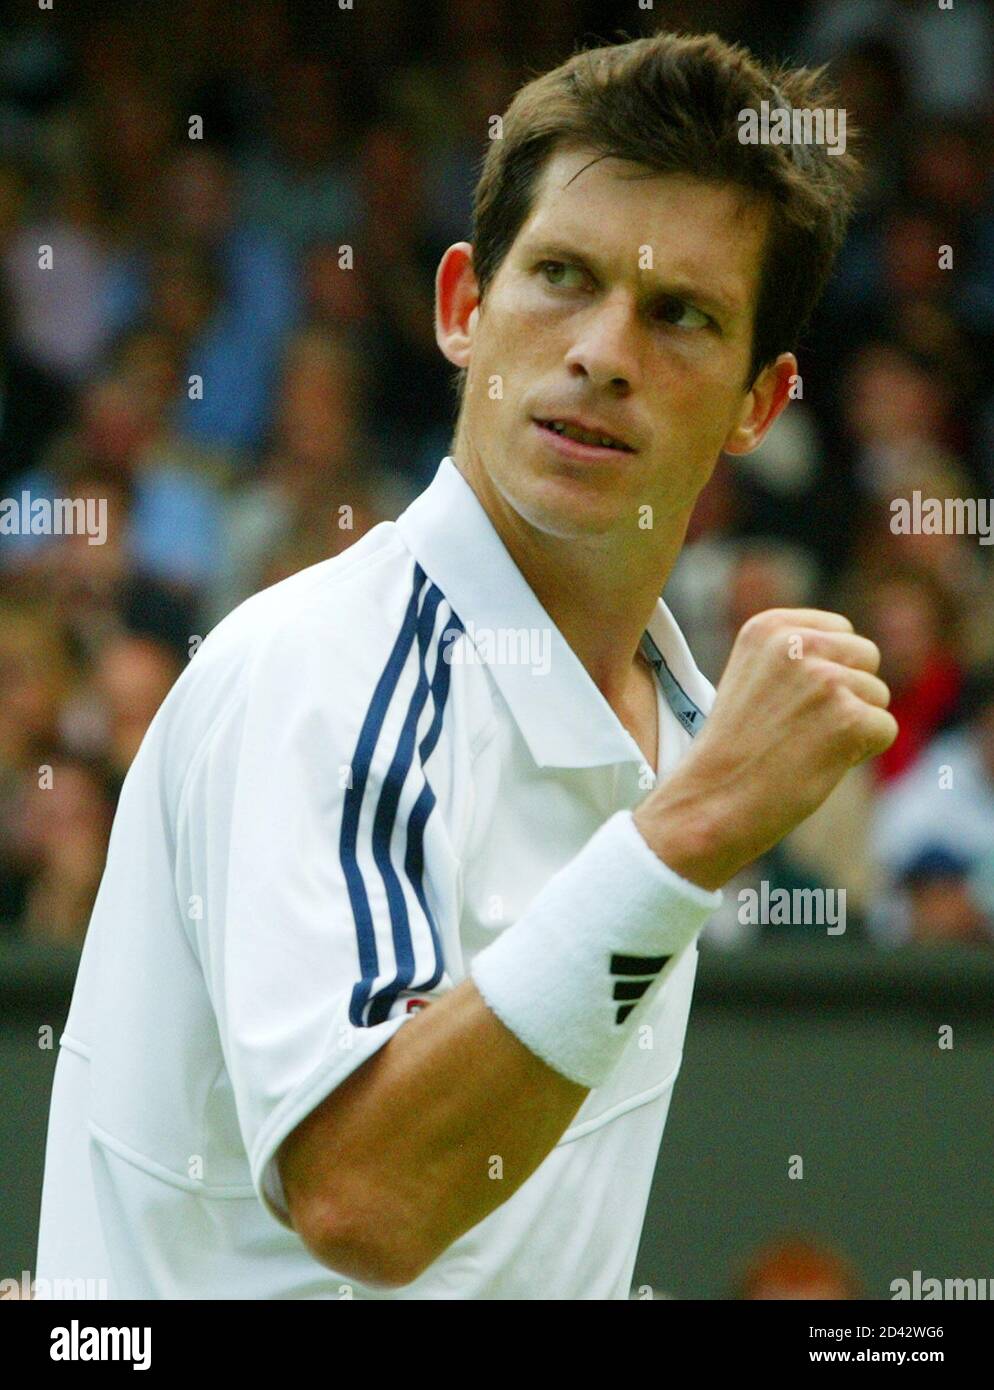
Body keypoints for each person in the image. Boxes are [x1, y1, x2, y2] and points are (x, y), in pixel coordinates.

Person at [35, 29, 897, 1300]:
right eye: (561, 275)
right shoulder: (322, 670)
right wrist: (693, 830)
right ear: (460, 307)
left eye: (680, 314)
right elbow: (364, 1199)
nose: (603, 350)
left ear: (757, 404)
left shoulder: (681, 724)